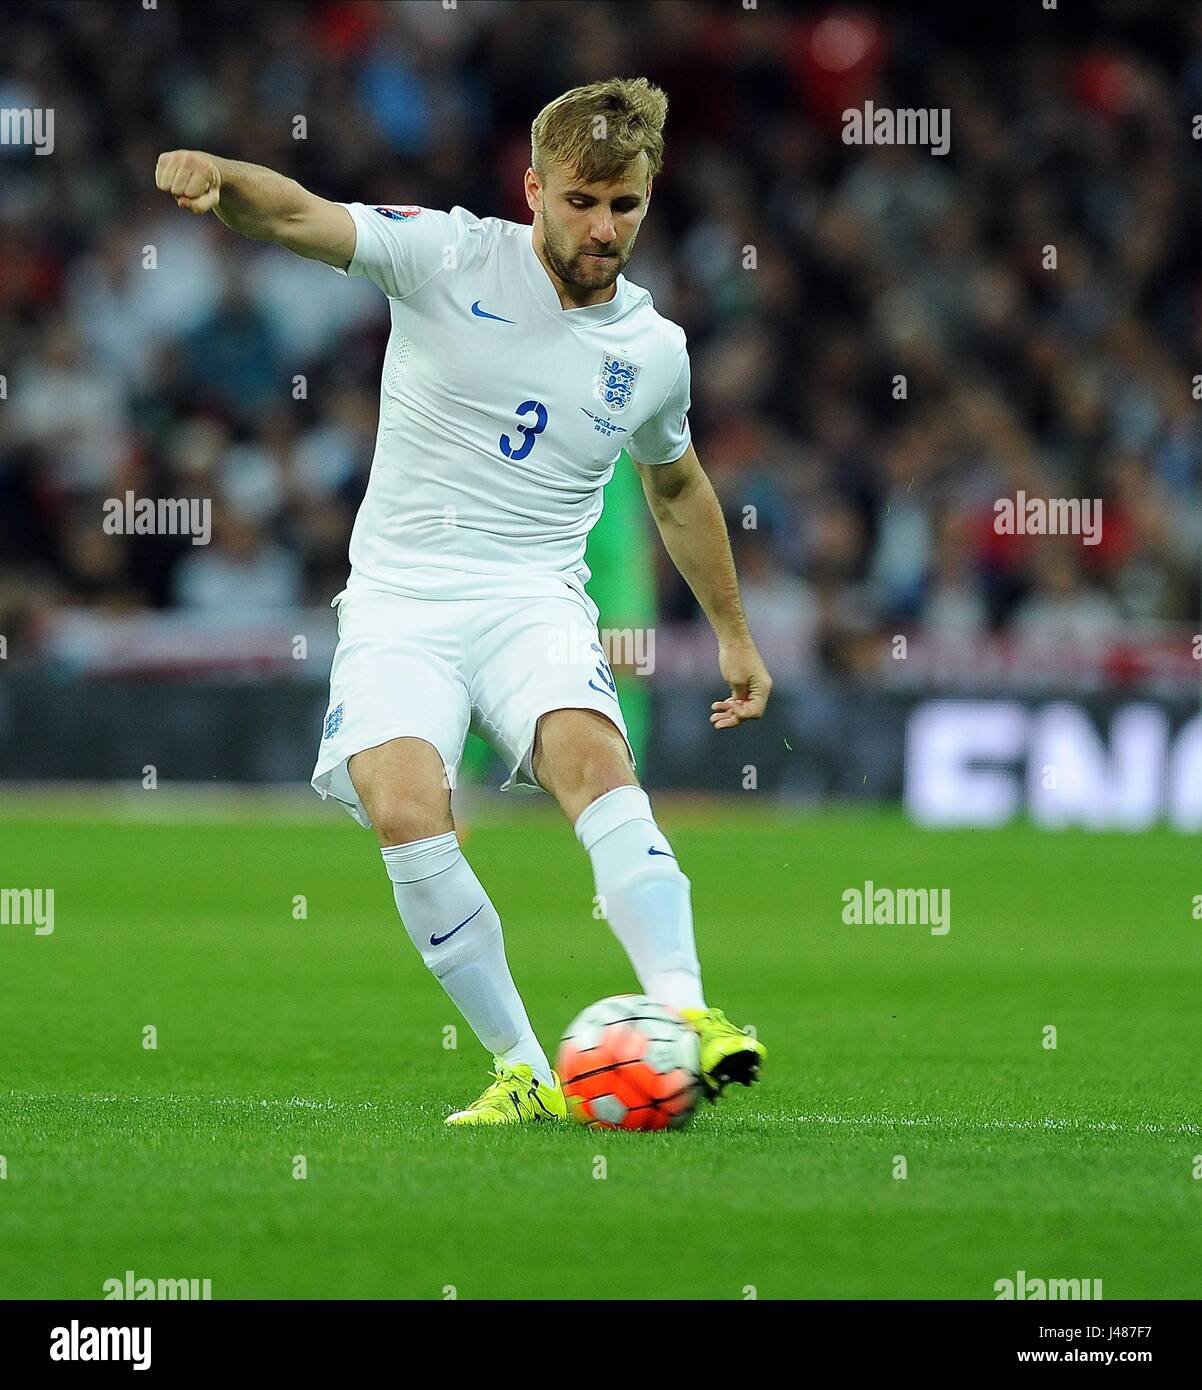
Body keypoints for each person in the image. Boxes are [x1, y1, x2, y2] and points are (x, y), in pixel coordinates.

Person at [155, 77, 772, 1126]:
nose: (601, 226)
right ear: (532, 188)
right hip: (399, 601)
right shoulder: (446, 254)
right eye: (579, 201)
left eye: (623, 205)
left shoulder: (652, 350)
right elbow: (300, 212)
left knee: (591, 757)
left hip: (531, 597)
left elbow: (676, 486)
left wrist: (731, 633)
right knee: (405, 812)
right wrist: (221, 181)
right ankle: (524, 1067)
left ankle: (687, 1013)